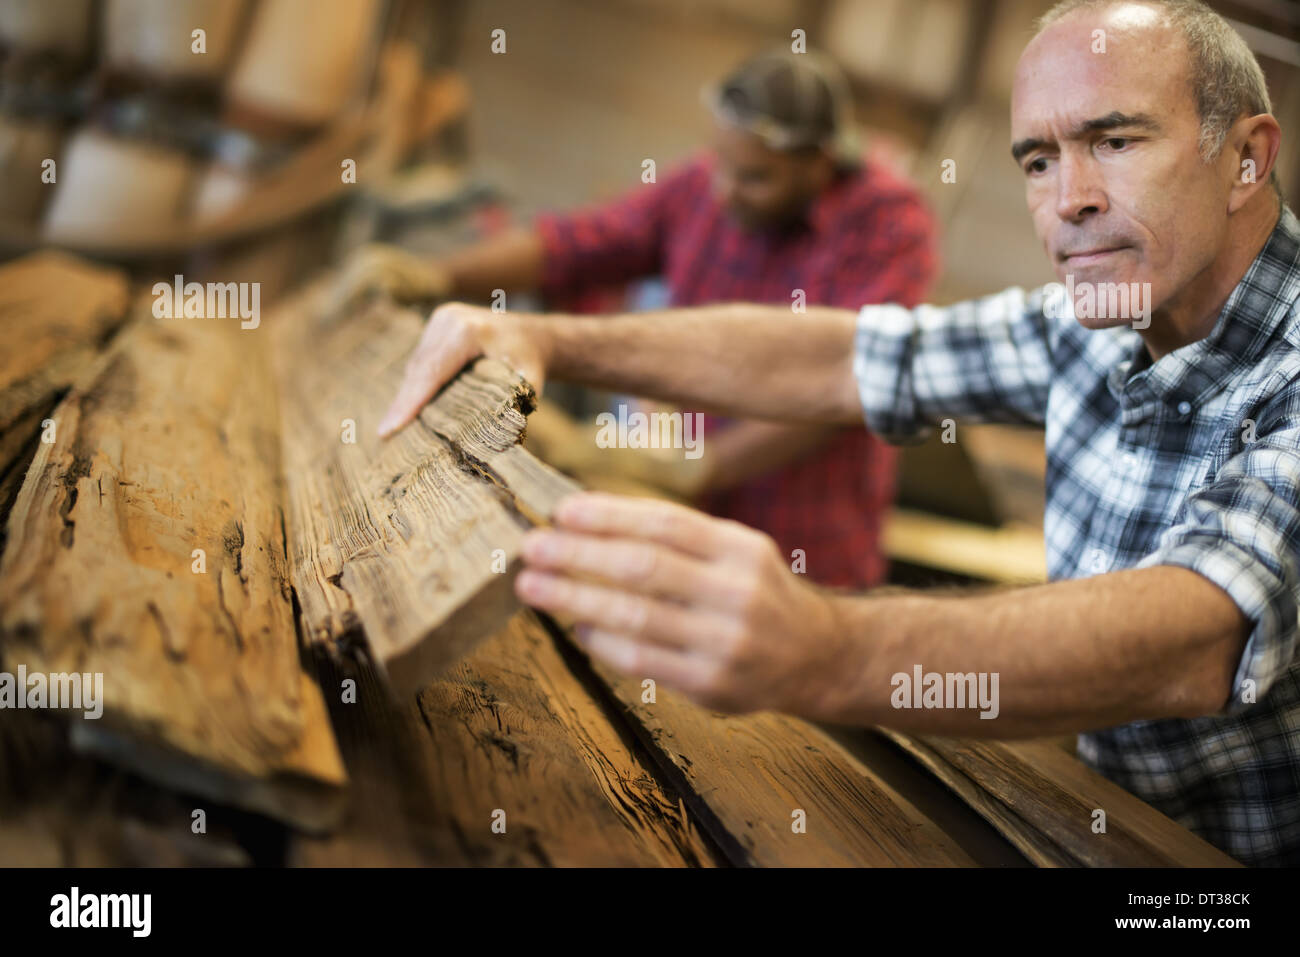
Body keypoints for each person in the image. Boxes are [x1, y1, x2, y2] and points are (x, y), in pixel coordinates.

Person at [378, 0, 1298, 865]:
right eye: (1037, 161)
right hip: (1097, 824)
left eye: (1116, 139)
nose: (1069, 200)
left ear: (1247, 158)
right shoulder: (1096, 322)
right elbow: (846, 357)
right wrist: (540, 336)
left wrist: (825, 645)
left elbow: (1196, 638)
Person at [347, 50, 938, 589]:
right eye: (721, 166)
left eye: (756, 178)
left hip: (802, 547)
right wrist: (435, 277)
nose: (727, 192)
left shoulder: (886, 222)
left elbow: (855, 379)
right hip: (682, 528)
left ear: (819, 162)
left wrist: (701, 466)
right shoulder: (703, 188)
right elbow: (579, 243)